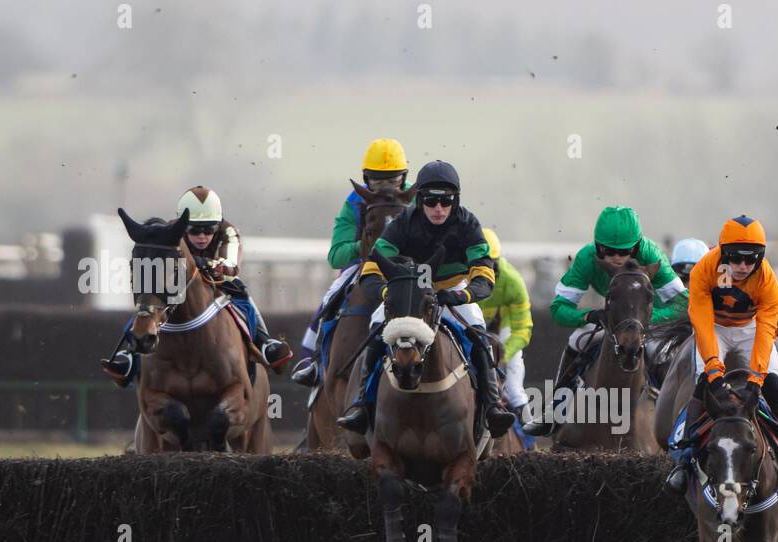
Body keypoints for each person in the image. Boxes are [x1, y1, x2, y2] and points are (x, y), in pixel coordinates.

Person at [335, 160, 514, 438]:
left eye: (446, 201)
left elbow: (485, 276)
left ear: (456, 200)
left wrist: (462, 295)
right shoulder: (402, 223)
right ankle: (361, 404)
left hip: (451, 291)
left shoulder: (468, 223)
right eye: (431, 201)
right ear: (419, 199)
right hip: (409, 294)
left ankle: (492, 405)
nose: (439, 209)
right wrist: (388, 293)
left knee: (477, 328)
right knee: (377, 323)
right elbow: (371, 270)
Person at [664, 216, 778, 497]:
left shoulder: (767, 279)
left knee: (772, 380)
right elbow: (700, 320)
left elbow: (767, 328)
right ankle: (684, 460)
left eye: (751, 260)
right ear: (723, 251)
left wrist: (756, 378)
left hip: (751, 328)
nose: (743, 267)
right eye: (735, 258)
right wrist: (714, 372)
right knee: (703, 382)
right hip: (714, 327)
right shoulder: (704, 270)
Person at [522, 206, 688, 436]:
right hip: (614, 313)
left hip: (651, 314)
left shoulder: (652, 255)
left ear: (637, 247)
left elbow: (683, 304)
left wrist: (645, 320)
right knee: (578, 339)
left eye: (624, 252)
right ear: (597, 246)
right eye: (609, 252)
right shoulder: (585, 259)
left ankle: (676, 418)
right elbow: (558, 309)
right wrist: (589, 315)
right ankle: (555, 411)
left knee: (658, 351)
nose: (617, 259)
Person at [101, 186, 291, 387]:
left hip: (220, 283)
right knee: (152, 299)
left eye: (209, 230)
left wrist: (203, 263)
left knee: (243, 296)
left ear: (217, 225)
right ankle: (129, 353)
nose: (202, 236)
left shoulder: (229, 232)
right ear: (184, 226)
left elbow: (232, 267)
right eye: (194, 230)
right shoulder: (172, 229)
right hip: (180, 285)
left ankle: (265, 342)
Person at [291, 138, 411, 386]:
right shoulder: (354, 202)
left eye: (392, 179)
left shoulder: (417, 198)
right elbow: (336, 256)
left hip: (408, 265)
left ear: (404, 177)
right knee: (332, 295)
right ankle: (311, 359)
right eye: (378, 180)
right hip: (363, 265)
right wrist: (365, 246)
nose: (385, 186)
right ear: (366, 178)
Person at [478, 227, 535, 429]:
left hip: (501, 331)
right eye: (476, 265)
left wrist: (503, 355)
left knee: (513, 382)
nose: (483, 271)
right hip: (468, 328)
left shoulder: (513, 281)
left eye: (489, 265)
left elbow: (523, 329)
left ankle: (531, 438)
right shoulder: (457, 276)